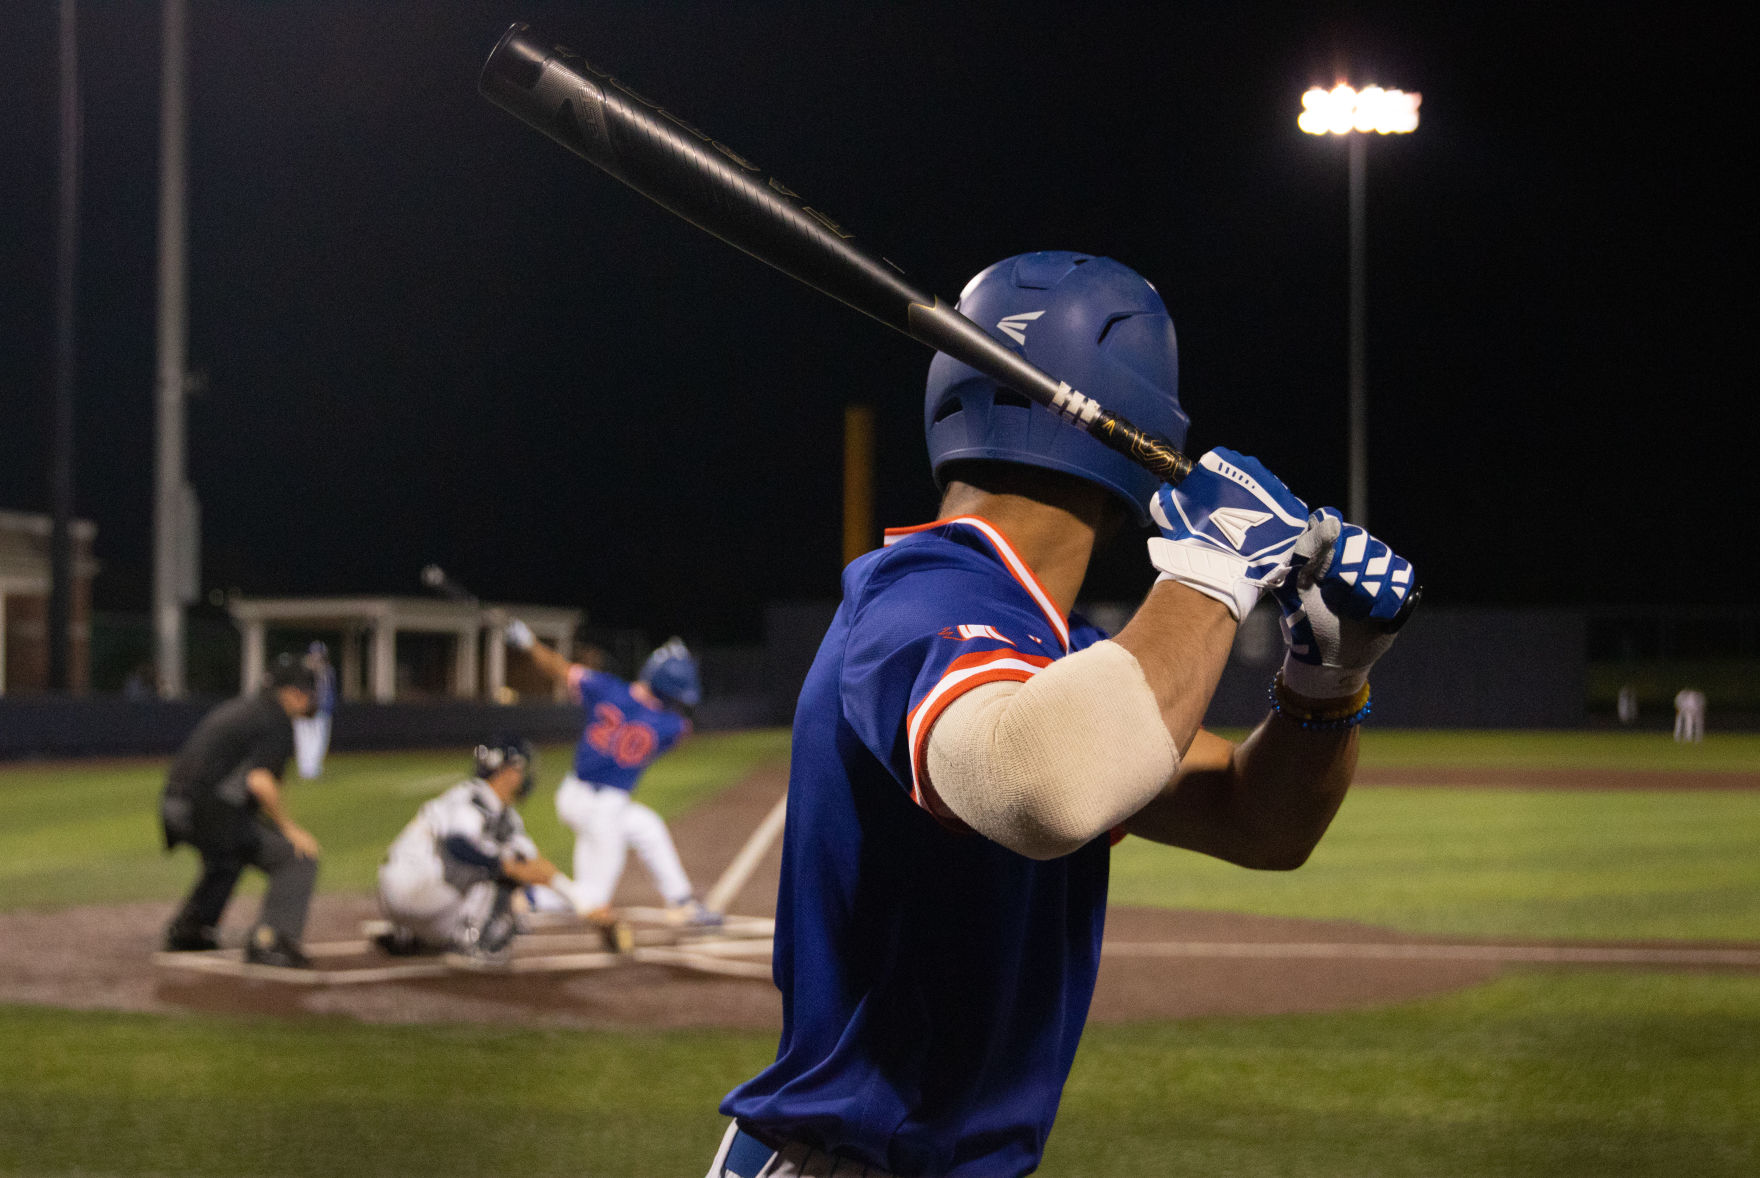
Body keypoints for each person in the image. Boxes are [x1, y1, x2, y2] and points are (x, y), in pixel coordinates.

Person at [704, 252, 1418, 1178]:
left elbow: (1258, 821)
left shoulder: (1049, 651)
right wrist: (1213, 568)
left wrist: (1330, 674)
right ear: (1145, 429)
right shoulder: (920, 596)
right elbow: (1038, 787)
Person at [504, 623, 722, 934]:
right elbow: (682, 720)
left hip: (578, 795)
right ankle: (526, 899)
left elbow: (558, 668)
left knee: (648, 827)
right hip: (601, 808)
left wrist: (529, 643)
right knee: (593, 900)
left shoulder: (606, 688)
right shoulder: (670, 726)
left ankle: (681, 902)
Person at [159, 652, 323, 968]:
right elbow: (260, 782)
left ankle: (191, 929)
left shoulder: (245, 709)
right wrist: (289, 829)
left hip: (175, 806)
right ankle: (271, 941)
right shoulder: (276, 718)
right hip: (208, 811)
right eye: (309, 691)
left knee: (230, 853)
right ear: (295, 692)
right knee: (296, 856)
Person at [375, 735, 585, 962]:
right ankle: (476, 940)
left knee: (507, 864)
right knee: (499, 871)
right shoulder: (475, 799)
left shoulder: (482, 803)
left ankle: (415, 936)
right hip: (420, 888)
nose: (524, 777)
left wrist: (581, 901)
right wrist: (502, 865)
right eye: (521, 769)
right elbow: (457, 845)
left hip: (392, 892)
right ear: (508, 771)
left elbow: (533, 865)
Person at [292, 640, 336, 779]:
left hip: (320, 710)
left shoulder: (327, 671)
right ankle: (306, 769)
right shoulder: (303, 670)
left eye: (319, 655)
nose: (317, 658)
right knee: (304, 739)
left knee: (318, 739)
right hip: (303, 710)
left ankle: (313, 768)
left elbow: (328, 693)